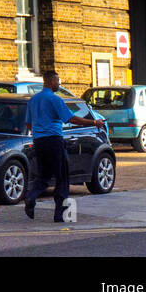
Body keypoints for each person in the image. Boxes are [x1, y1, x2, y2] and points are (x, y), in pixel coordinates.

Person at [24, 69, 106, 222]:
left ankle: (31, 196)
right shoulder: (55, 99)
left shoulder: (33, 100)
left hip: (39, 142)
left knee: (43, 175)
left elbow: (28, 123)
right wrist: (94, 122)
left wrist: (39, 133)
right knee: (62, 177)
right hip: (54, 140)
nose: (59, 83)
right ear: (50, 81)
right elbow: (71, 119)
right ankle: (59, 214)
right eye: (57, 80)